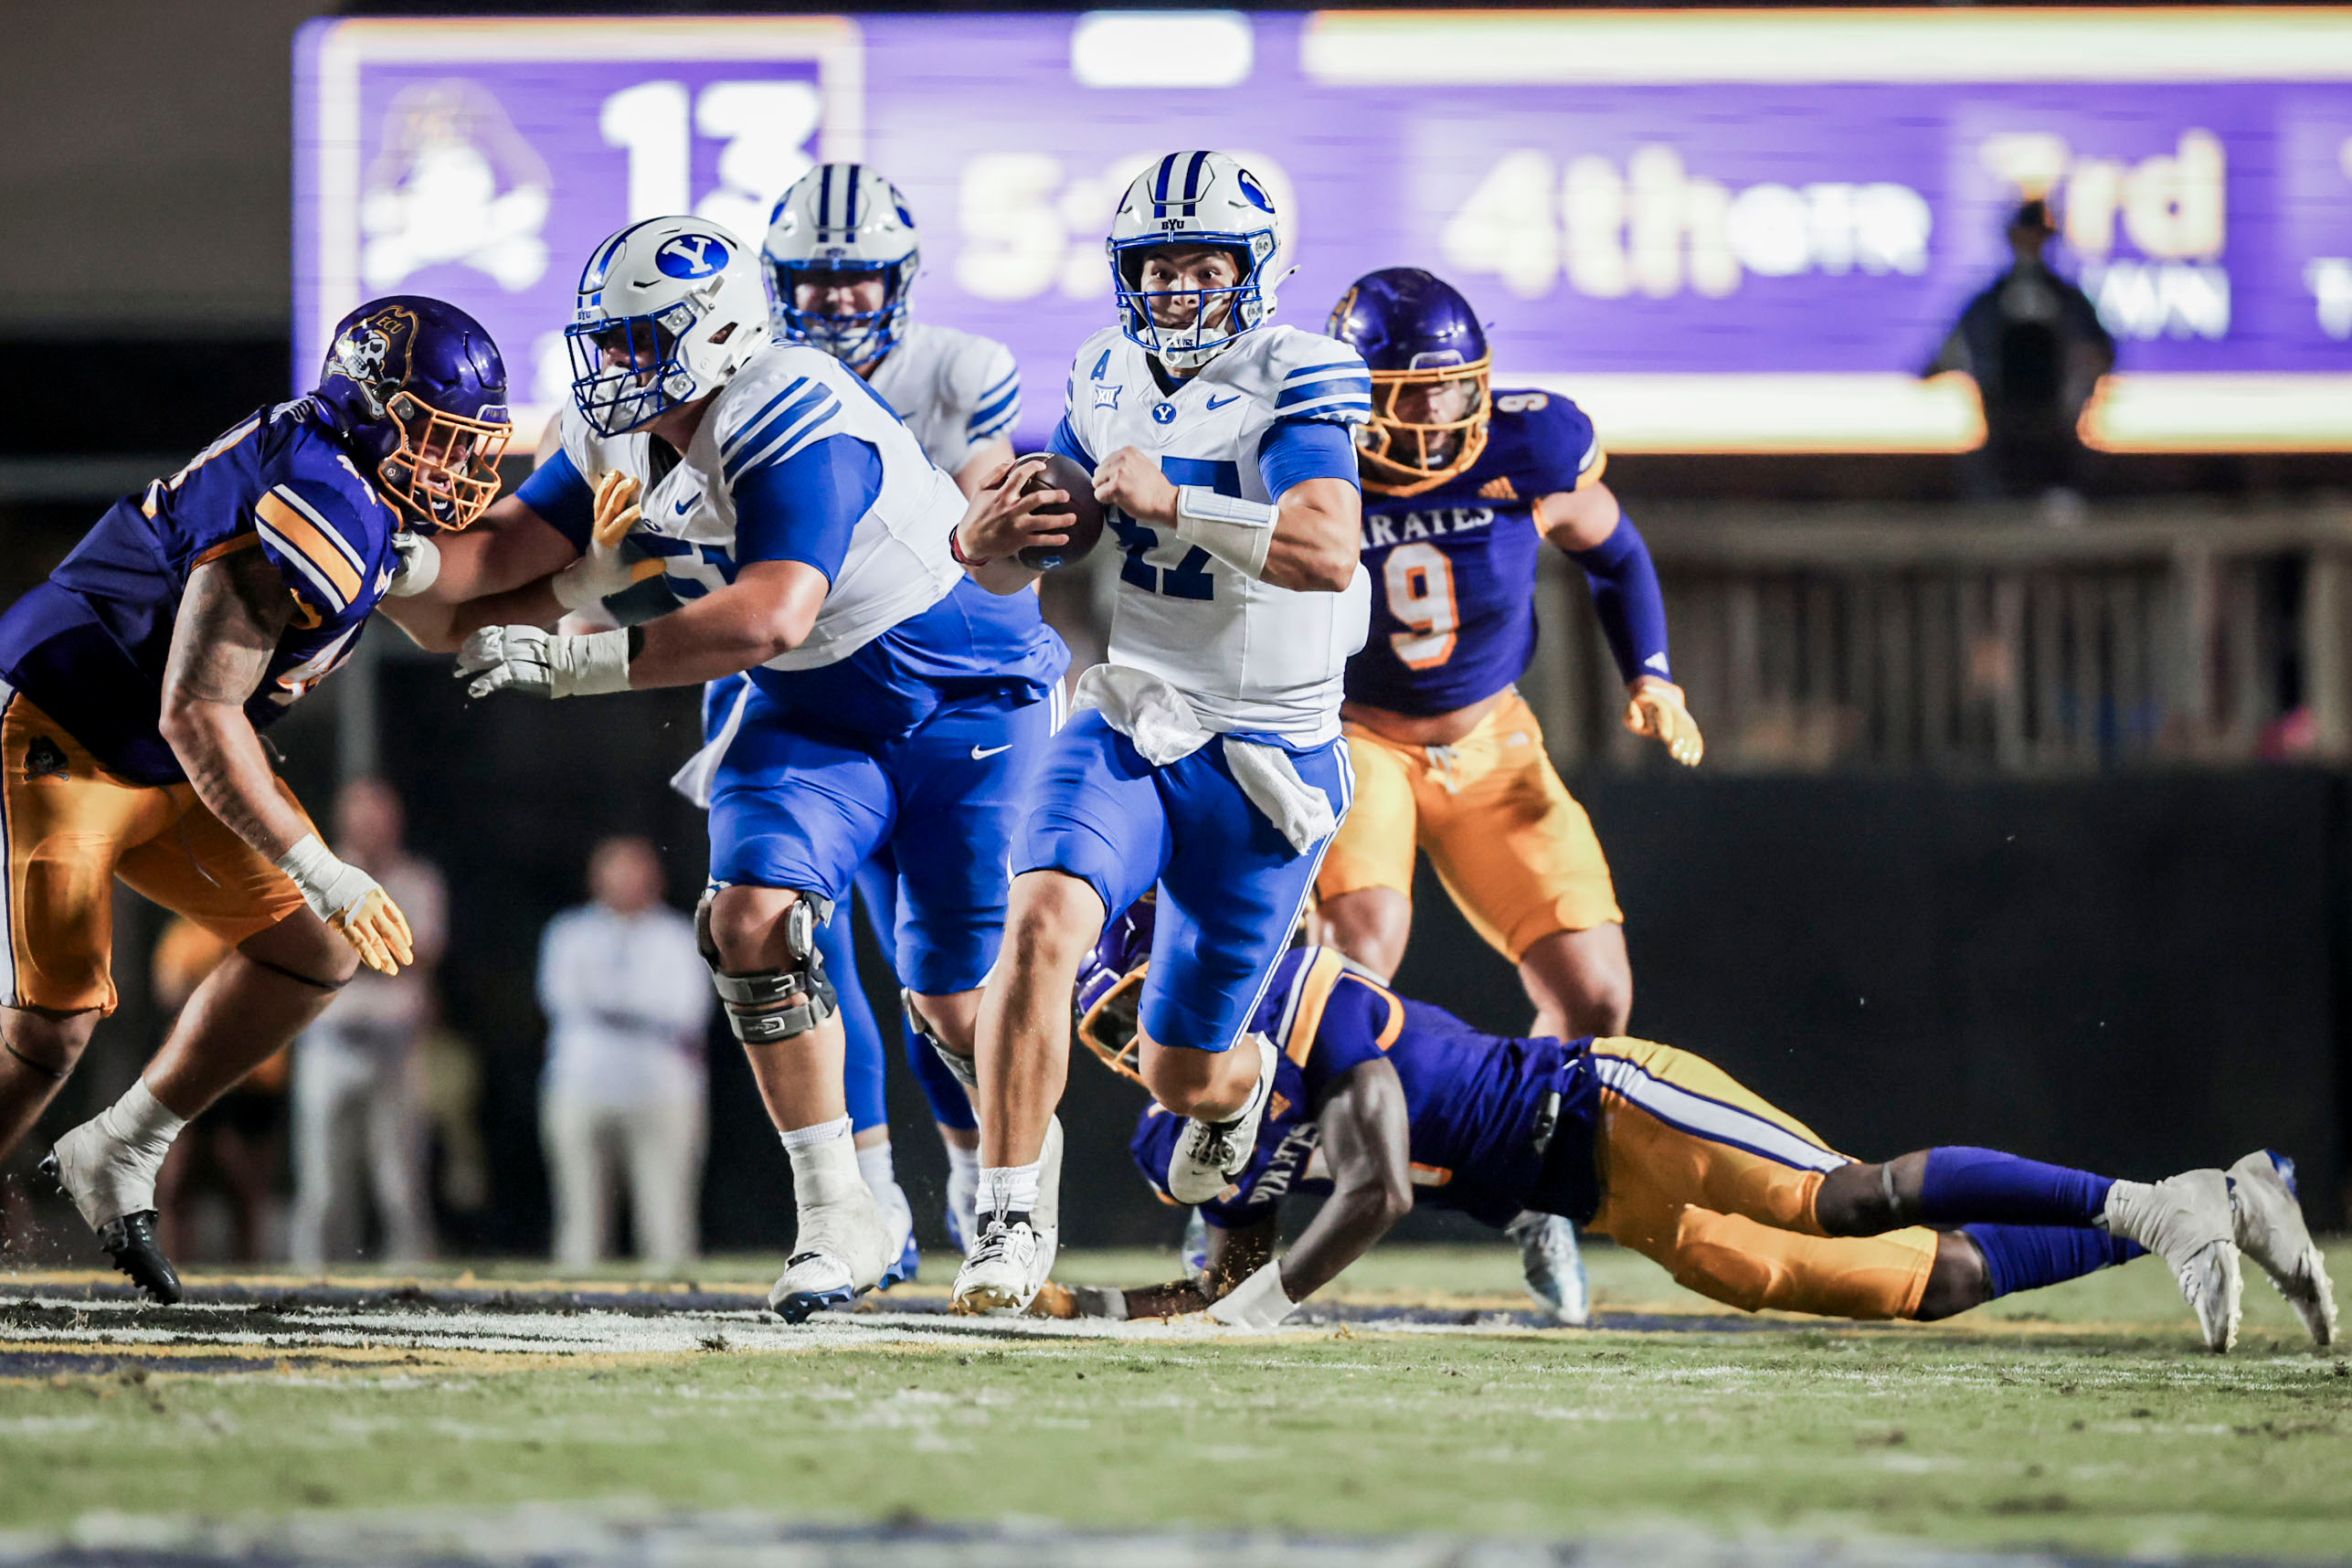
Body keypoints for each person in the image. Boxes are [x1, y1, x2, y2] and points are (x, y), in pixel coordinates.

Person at [386, 216, 1070, 1322]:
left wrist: (580, 664)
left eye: (641, 342)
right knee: (751, 922)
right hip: (813, 707)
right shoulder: (627, 427)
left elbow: (768, 613)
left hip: (961, 702)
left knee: (953, 999)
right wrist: (386, 551)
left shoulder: (790, 401)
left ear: (723, 333)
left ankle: (1011, 1203)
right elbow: (480, 576)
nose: (618, 368)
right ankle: (837, 1211)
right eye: (607, 342)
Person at [1058, 906, 2338, 1357]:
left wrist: (1261, 1301)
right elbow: (1222, 1285)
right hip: (1613, 1207)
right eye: (1117, 1024)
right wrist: (1108, 1310)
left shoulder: (1322, 1012)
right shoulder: (1171, 1142)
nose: (1141, 1044)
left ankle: (2140, 1204)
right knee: (1923, 1286)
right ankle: (2225, 1194)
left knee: (1833, 1198)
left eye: (1149, 1005)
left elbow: (1378, 1185)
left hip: (1609, 1102)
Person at [0, 296, 508, 1300]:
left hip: (162, 753)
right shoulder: (315, 491)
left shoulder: (350, 486)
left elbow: (442, 606)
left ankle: (123, 1149)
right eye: (434, 437)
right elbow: (198, 711)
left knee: (316, 947)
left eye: (465, 446)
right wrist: (318, 864)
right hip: (74, 722)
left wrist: (601, 576)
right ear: (369, 409)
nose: (451, 468)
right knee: (56, 1025)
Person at [947, 150, 1373, 1314]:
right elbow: (1053, 540)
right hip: (1138, 713)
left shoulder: (1303, 371)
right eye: (1157, 267)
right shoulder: (1101, 369)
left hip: (1269, 761)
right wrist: (988, 539)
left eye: (1202, 265)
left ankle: (1235, 1098)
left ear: (1259, 267)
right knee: (1038, 922)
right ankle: (1009, 1222)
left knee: (1188, 1073)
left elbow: (1326, 548)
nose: (1177, 291)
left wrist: (1178, 501)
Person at [1312, 268, 1709, 1317]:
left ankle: (1538, 1193)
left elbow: (1614, 553)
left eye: (1451, 388)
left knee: (1597, 995)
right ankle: (1252, 1187)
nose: (1436, 412)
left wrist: (1652, 676)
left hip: (1494, 742)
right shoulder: (1303, 458)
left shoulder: (1527, 448)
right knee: (1357, 955)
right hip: (1359, 738)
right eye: (1408, 390)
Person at [752, 162, 1033, 1258]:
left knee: (940, 971)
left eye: (857, 284)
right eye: (813, 287)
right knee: (803, 936)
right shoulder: (757, 375)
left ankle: (973, 1168)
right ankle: (867, 1194)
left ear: (900, 281)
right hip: (803, 677)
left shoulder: (960, 370)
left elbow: (975, 542)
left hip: (945, 686)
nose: (833, 307)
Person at [287, 778, 448, 1267]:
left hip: (395, 1046)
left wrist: (353, 947)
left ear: (395, 822)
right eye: (362, 816)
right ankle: (310, 1278)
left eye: (380, 816)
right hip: (329, 1045)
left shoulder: (418, 879)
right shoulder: (315, 873)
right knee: (322, 1183)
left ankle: (411, 1280)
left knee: (400, 1180)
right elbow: (311, 954)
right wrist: (379, 948)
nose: (371, 826)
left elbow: (423, 951)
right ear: (343, 820)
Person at [536, 835, 712, 1271]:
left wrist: (608, 1001)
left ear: (655, 878)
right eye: (616, 869)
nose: (626, 880)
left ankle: (677, 1314)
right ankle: (569, 1314)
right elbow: (558, 997)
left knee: (666, 1217)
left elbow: (687, 1011)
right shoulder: (569, 931)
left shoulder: (677, 935)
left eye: (636, 870)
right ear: (596, 878)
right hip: (580, 1086)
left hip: (662, 1089)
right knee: (579, 1217)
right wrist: (639, 1005)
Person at [1924, 199, 2115, 505]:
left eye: (2037, 235)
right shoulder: (1988, 304)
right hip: (2001, 433)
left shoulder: (2068, 302)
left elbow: (2101, 353)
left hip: (2057, 435)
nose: (2031, 243)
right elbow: (1941, 360)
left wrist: (2079, 391)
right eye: (2025, 234)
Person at [149, 917, 285, 1264]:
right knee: (177, 1181)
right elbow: (170, 991)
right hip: (197, 1068)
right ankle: (173, 1272)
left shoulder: (261, 926)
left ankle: (250, 1275)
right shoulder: (186, 933)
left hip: (254, 1073)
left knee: (245, 1186)